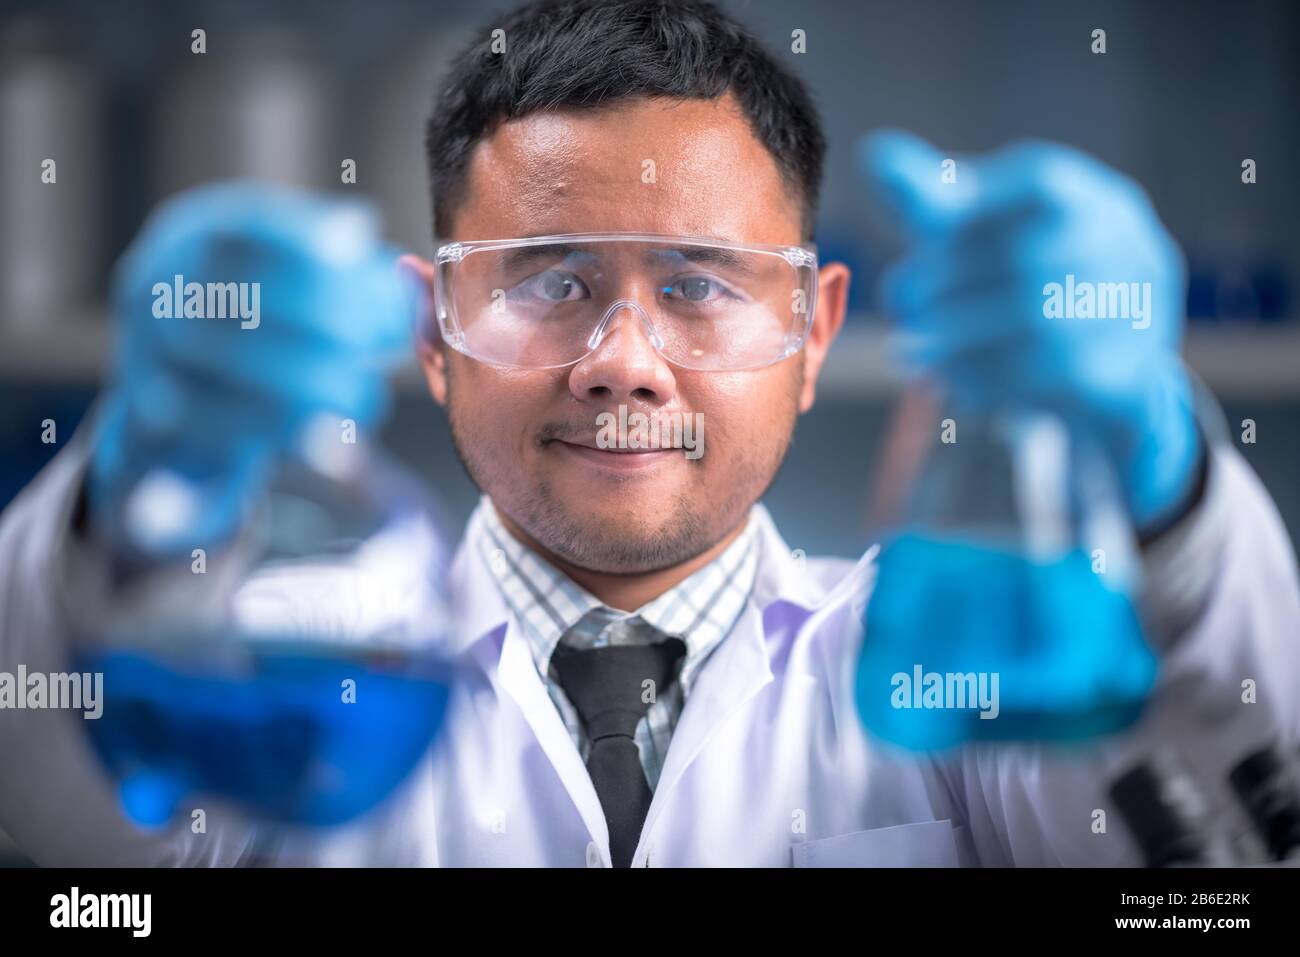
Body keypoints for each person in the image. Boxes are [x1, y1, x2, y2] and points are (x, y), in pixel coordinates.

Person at [0, 0, 1296, 867]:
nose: (623, 363)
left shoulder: (943, 671)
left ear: (816, 328)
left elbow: (1230, 826)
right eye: (550, 281)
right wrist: (135, 498)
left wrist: (1159, 478)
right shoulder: (282, 668)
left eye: (699, 284)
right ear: (432, 330)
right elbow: (52, 823)